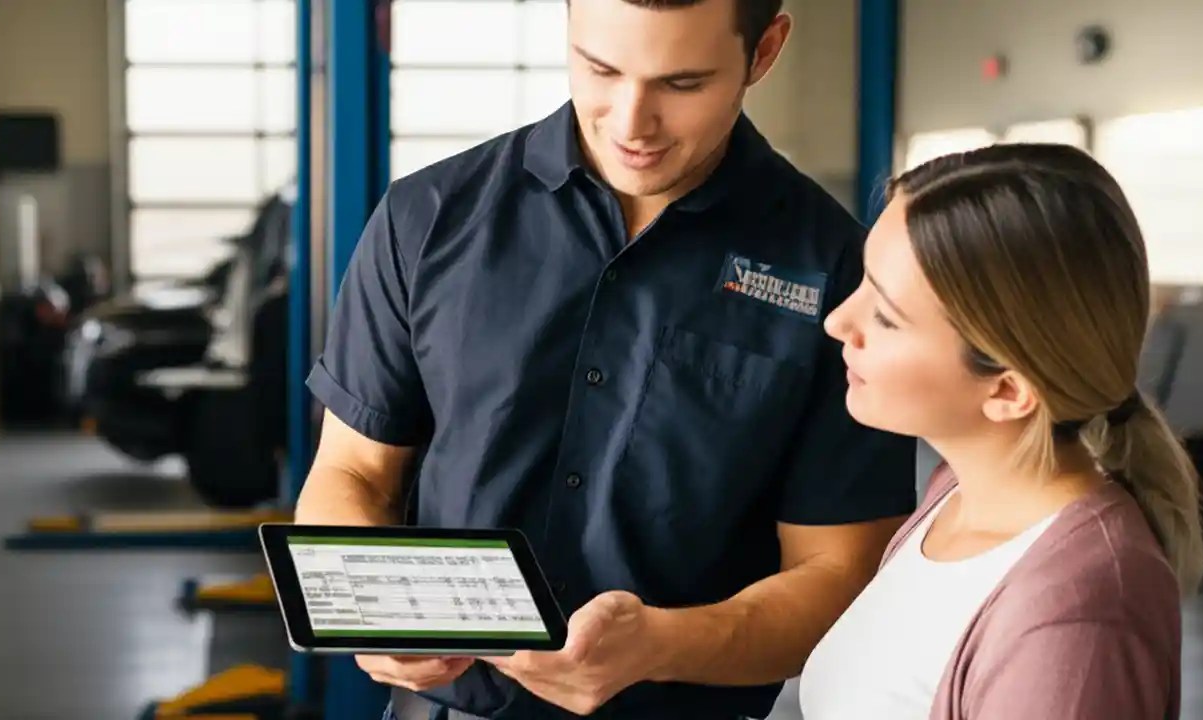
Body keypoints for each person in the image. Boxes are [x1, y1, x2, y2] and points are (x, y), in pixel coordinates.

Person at [296, 0, 917, 718]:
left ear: (766, 49)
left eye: (681, 84)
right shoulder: (427, 217)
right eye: (600, 69)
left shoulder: (834, 271)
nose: (630, 123)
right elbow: (351, 471)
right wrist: (372, 607)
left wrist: (665, 643)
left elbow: (838, 571)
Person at [799, 143, 1203, 719]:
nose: (839, 320)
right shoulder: (954, 497)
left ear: (1008, 391)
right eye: (865, 282)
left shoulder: (1075, 618)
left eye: (886, 316)